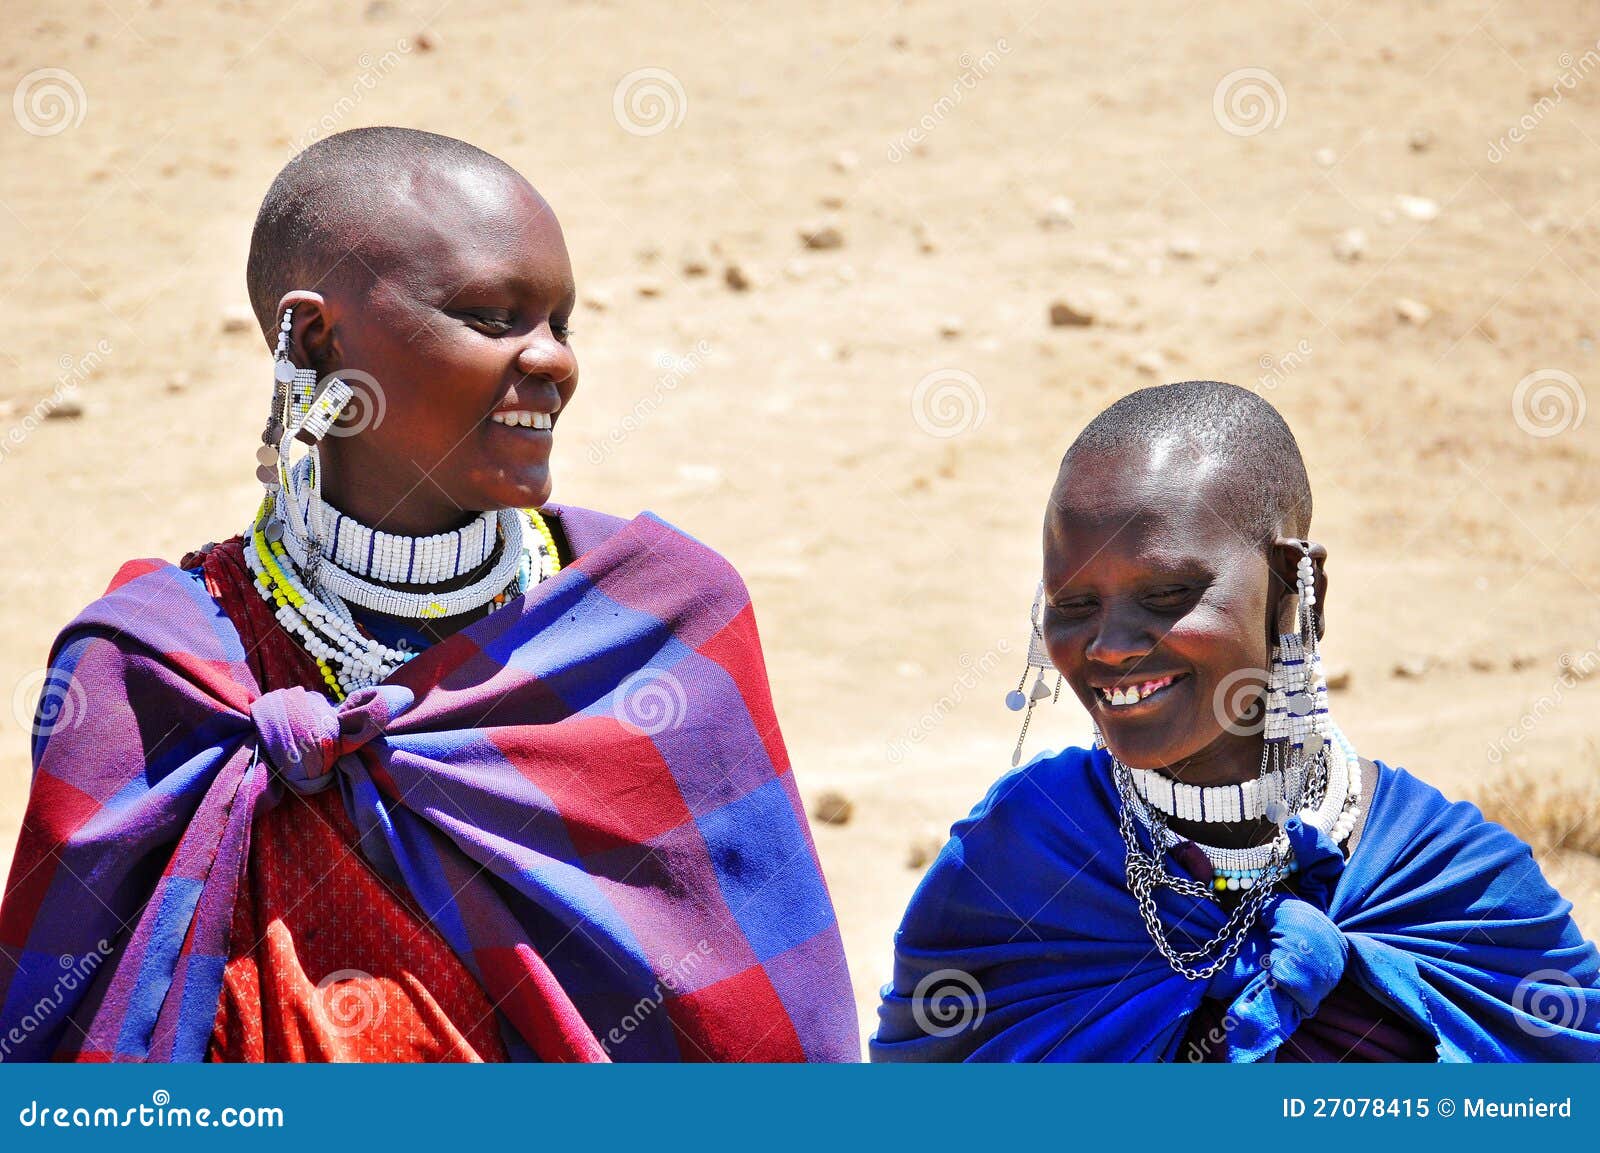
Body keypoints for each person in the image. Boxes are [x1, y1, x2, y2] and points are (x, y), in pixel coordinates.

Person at [0, 127, 857, 1063]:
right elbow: (74, 1049)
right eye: (493, 317)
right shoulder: (153, 677)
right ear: (317, 336)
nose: (554, 362)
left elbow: (773, 1041)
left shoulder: (656, 618)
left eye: (561, 324)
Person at [871, 380, 1600, 1062]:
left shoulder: (1460, 886)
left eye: (1167, 592)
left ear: (1293, 589)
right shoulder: (1018, 863)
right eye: (1073, 603)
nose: (1110, 644)